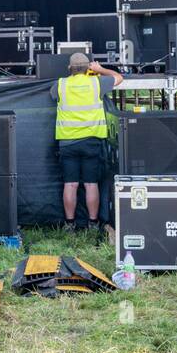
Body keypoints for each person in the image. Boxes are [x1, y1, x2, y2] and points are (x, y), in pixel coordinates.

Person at [51, 53, 125, 236]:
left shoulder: (60, 85)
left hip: (67, 142)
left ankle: (69, 225)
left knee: (71, 184)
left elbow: (53, 95)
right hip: (91, 141)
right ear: (88, 68)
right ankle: (93, 224)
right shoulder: (97, 82)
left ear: (70, 68)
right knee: (91, 184)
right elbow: (118, 78)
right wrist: (100, 70)